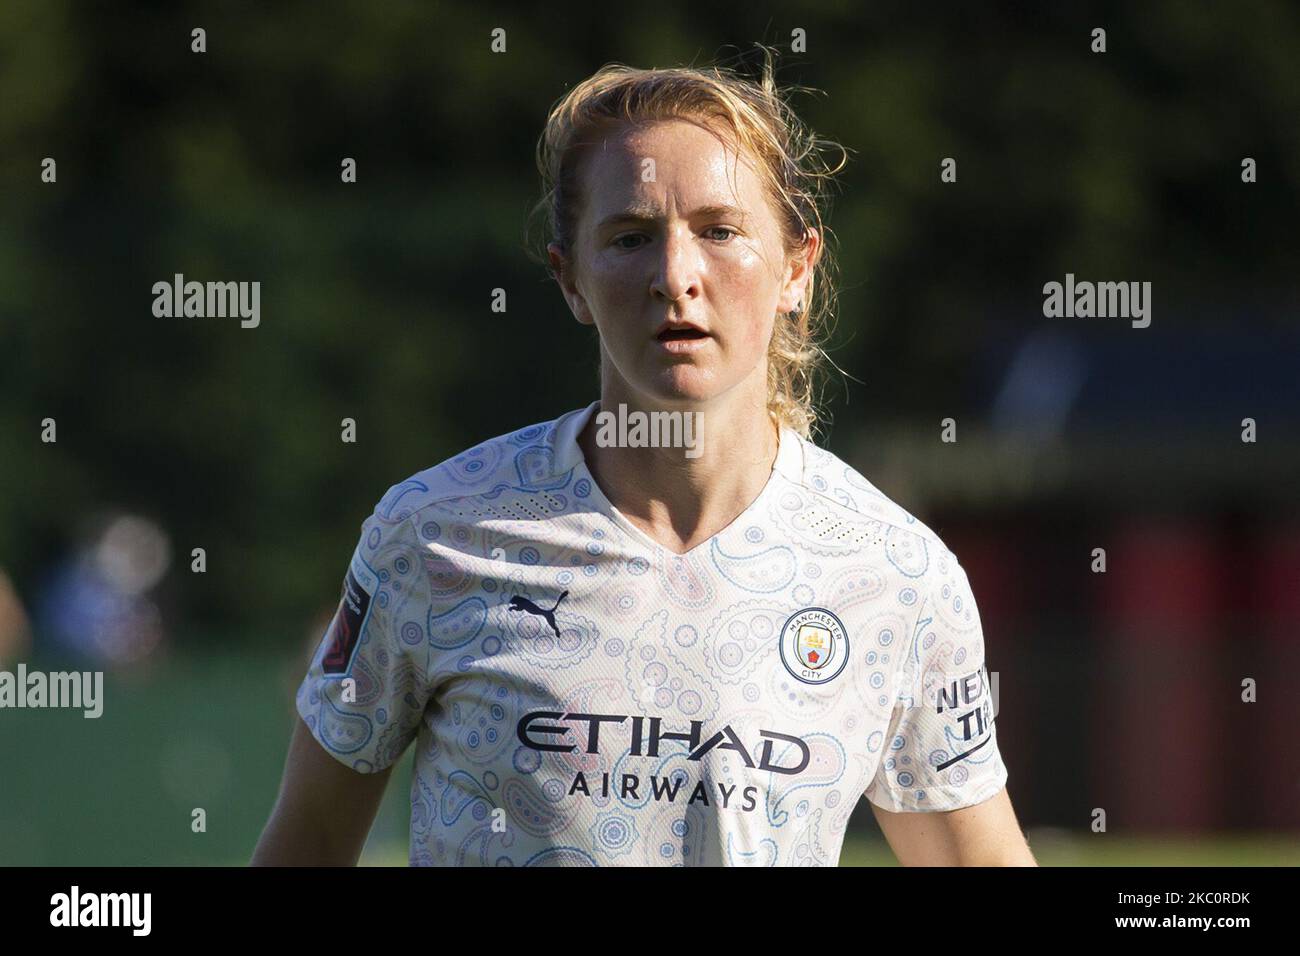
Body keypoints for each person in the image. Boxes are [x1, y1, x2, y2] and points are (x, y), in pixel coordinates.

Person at [253, 51, 1036, 867]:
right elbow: (305, 845)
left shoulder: (898, 575)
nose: (675, 276)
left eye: (720, 231)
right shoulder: (433, 533)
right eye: (630, 238)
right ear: (571, 281)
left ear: (797, 270)